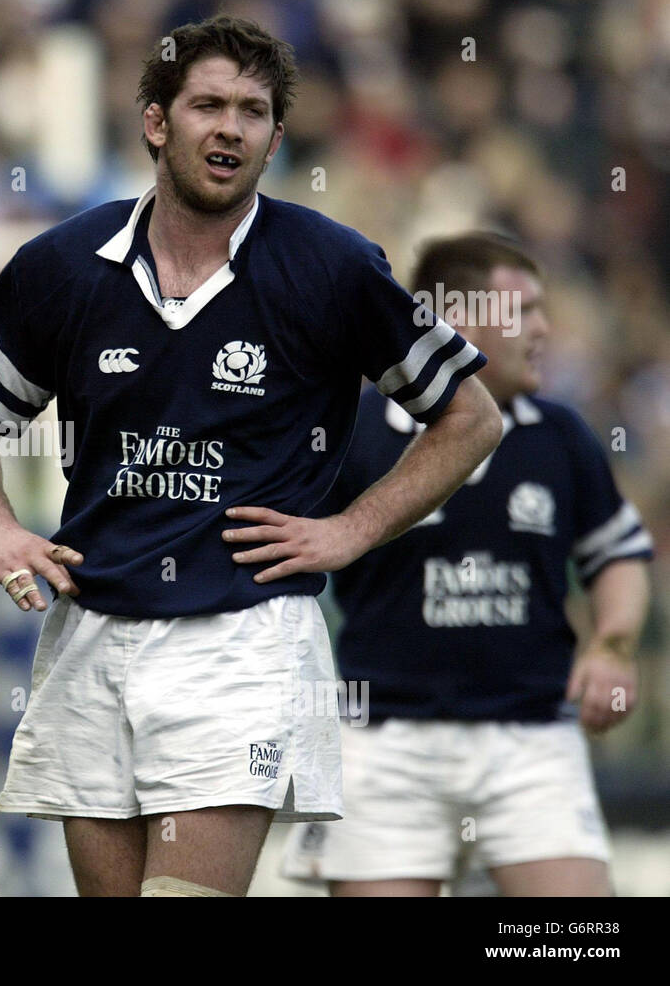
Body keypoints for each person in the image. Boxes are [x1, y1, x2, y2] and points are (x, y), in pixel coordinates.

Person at [0, 16, 503, 897]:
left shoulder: (334, 267)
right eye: (207, 105)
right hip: (91, 630)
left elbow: (470, 416)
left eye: (254, 111)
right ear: (158, 121)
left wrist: (350, 530)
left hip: (244, 639)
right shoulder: (64, 265)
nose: (230, 127)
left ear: (275, 138)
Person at [279, 232, 653, 896]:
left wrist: (614, 645)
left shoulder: (560, 435)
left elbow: (616, 555)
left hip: (530, 739)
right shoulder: (351, 431)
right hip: (382, 742)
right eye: (526, 310)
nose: (544, 328)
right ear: (455, 319)